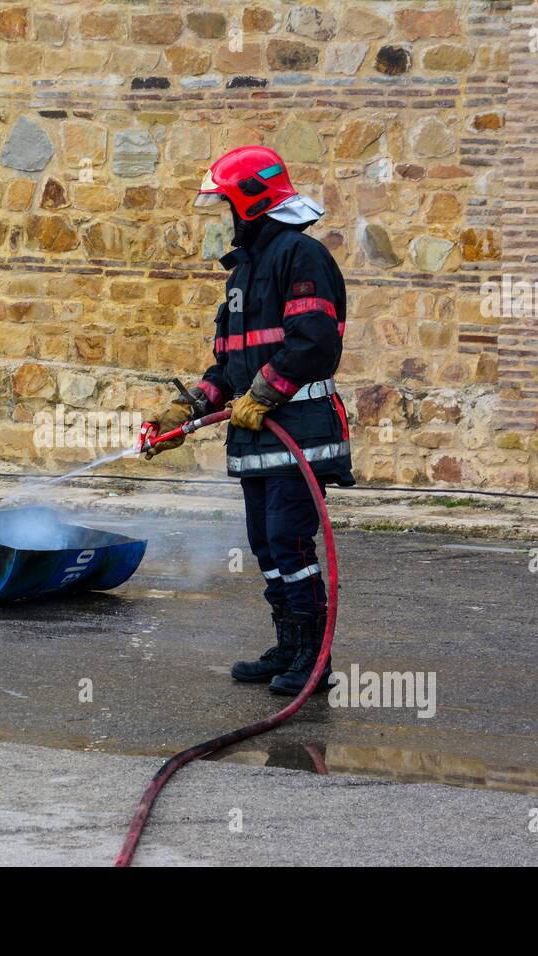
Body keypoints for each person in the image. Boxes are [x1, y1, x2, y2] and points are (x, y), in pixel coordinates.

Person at [144, 145, 354, 696]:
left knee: (290, 541)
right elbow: (229, 367)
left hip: (300, 434)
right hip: (258, 440)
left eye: (225, 207)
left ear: (250, 203)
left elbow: (314, 343)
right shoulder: (241, 275)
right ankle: (288, 643)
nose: (222, 220)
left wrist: (265, 392)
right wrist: (188, 408)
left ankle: (313, 655)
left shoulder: (300, 257)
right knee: (265, 544)